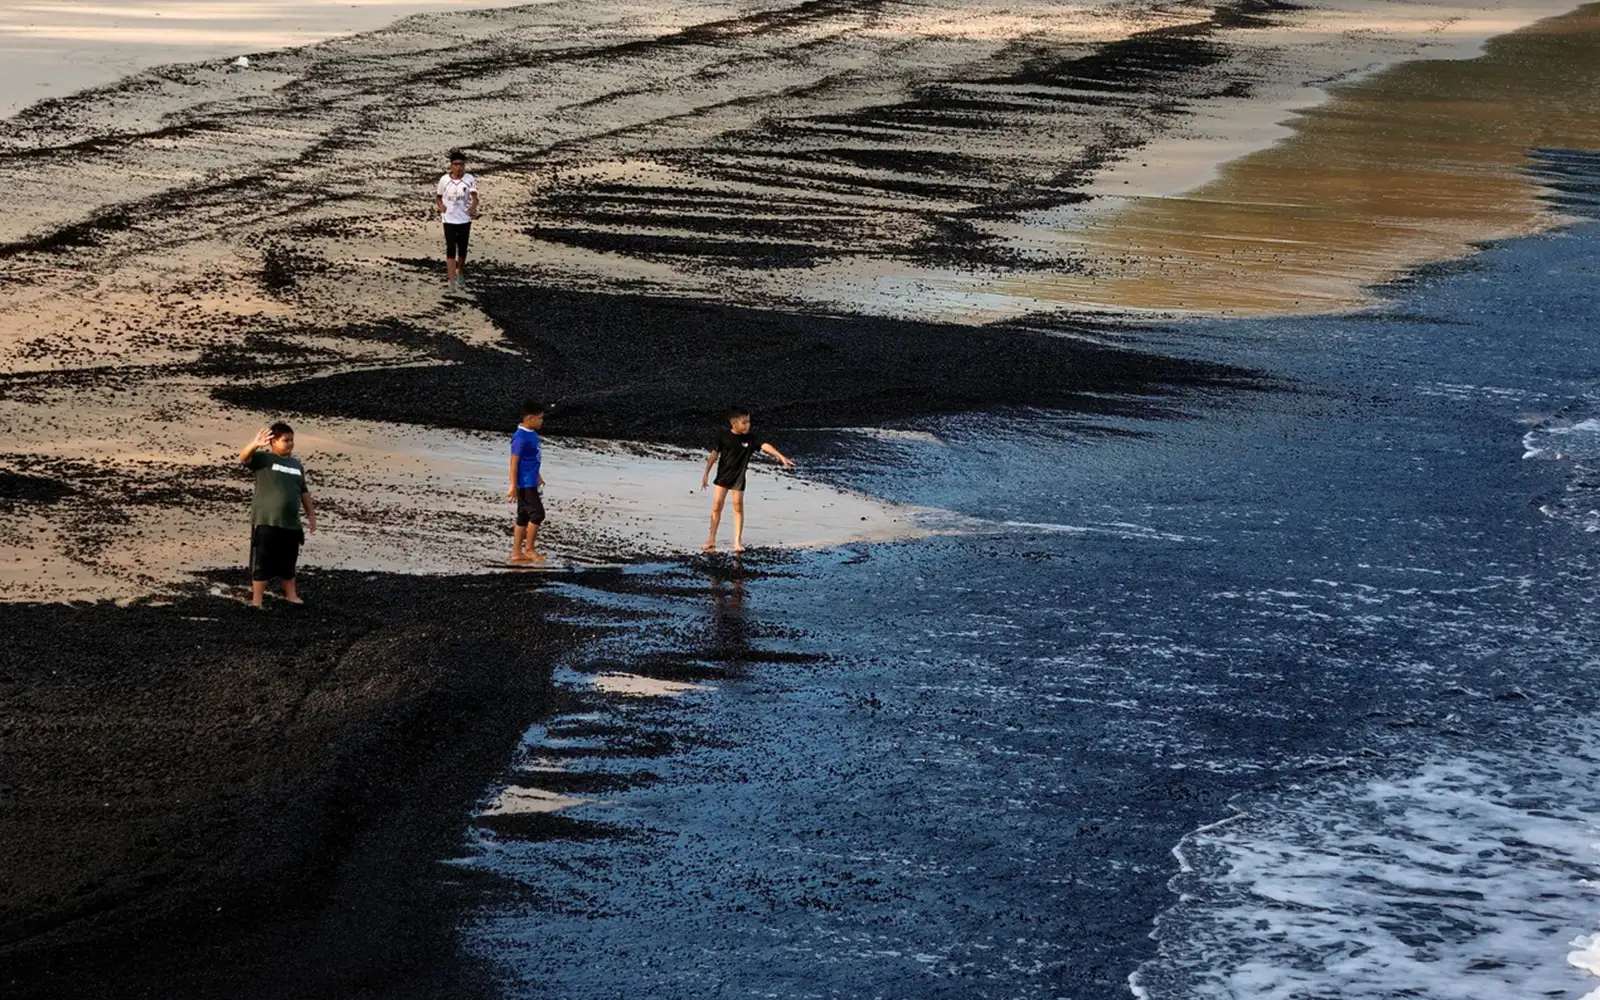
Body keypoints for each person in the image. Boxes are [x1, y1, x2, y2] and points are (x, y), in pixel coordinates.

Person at [237, 422, 316, 607]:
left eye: (292, 440)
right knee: (263, 562)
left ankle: (291, 595)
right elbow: (243, 458)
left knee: (288, 562)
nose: (290, 444)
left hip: (291, 523)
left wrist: (311, 514)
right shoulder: (264, 459)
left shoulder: (296, 465)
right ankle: (257, 600)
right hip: (267, 520)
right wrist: (255, 444)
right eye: (285, 440)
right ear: (273, 442)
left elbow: (303, 491)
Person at [701, 407, 794, 553]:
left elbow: (765, 446)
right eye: (744, 422)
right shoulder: (723, 437)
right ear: (734, 423)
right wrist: (706, 473)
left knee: (738, 507)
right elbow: (714, 455)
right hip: (723, 477)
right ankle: (711, 539)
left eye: (749, 422)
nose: (747, 425)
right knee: (717, 506)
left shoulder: (750, 438)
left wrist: (781, 457)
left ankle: (737, 541)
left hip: (738, 477)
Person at [506, 400, 547, 563]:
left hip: (531, 479)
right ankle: (529, 549)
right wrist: (512, 486)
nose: (542, 421)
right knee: (537, 514)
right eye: (540, 418)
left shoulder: (531, 433)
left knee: (523, 515)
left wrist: (538, 475)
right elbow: (514, 463)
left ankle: (517, 553)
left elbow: (530, 458)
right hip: (524, 483)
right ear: (530, 418)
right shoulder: (520, 438)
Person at [434, 150, 479, 292]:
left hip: (464, 218)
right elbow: (438, 197)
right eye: (456, 164)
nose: (459, 167)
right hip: (449, 219)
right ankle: (451, 280)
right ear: (451, 165)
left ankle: (460, 271)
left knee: (463, 248)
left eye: (461, 164)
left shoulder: (469, 178)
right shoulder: (444, 180)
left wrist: (472, 207)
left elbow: (475, 197)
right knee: (450, 248)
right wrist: (441, 208)